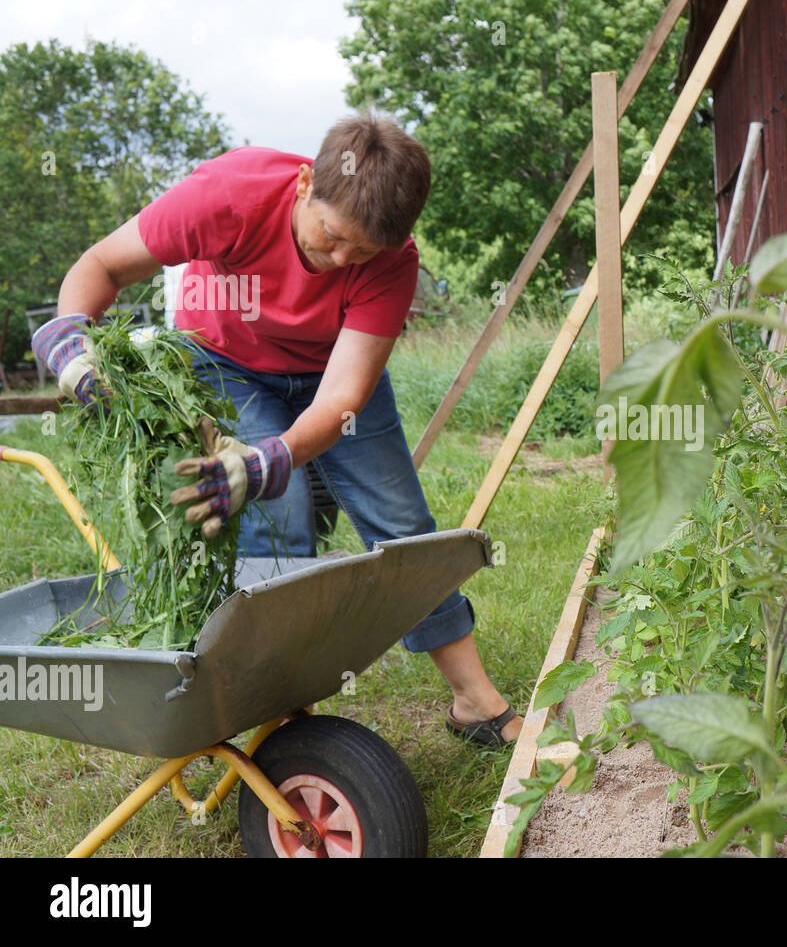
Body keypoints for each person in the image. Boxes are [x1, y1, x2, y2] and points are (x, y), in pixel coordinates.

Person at [31, 114, 523, 745]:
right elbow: (103, 265)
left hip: (329, 372)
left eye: (361, 252)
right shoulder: (229, 195)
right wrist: (71, 337)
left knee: (402, 521)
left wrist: (267, 459)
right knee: (279, 522)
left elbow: (343, 396)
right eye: (333, 236)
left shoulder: (392, 260)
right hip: (225, 360)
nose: (341, 259)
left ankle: (475, 703)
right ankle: (288, 713)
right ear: (304, 183)